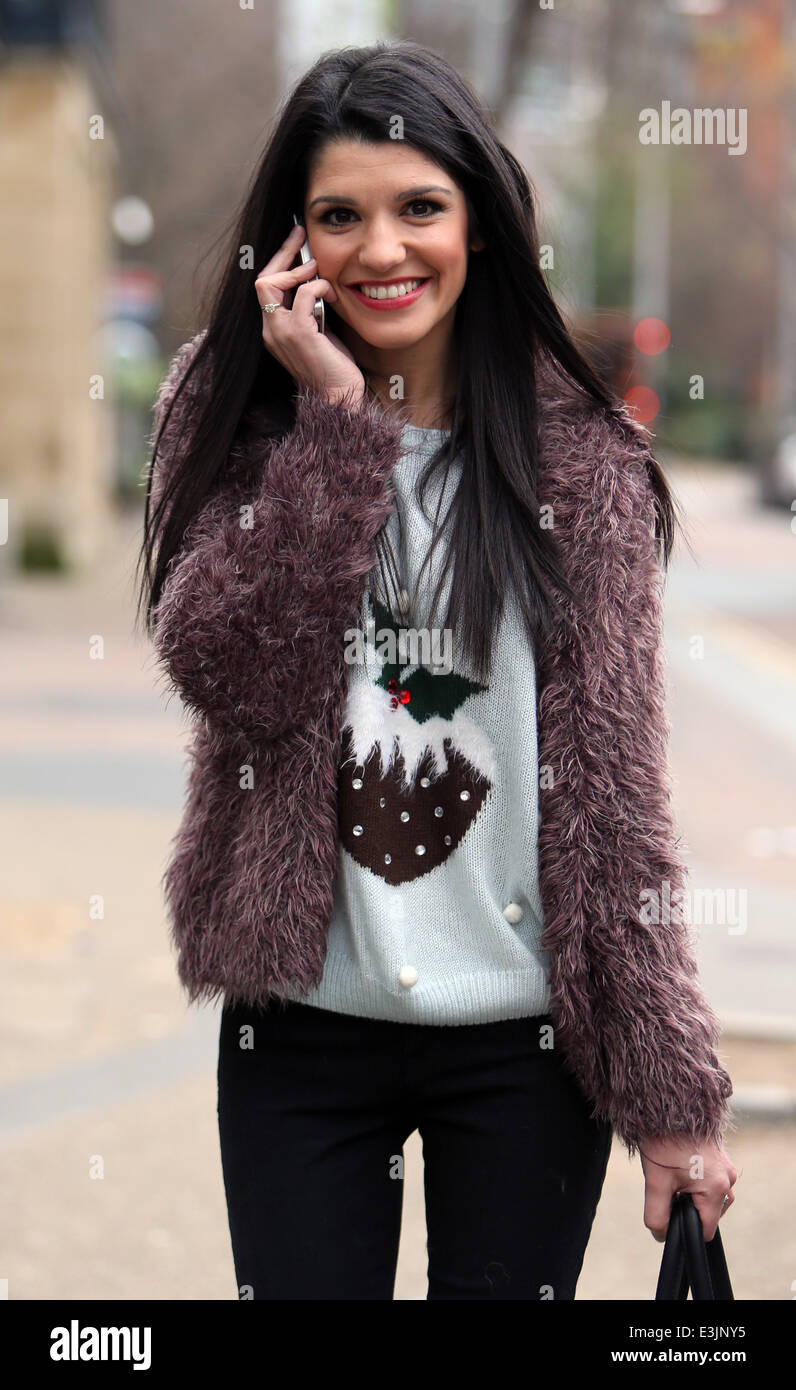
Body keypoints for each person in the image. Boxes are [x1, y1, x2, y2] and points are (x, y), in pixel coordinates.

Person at [136, 40, 737, 1301]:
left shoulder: (581, 466)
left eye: (421, 207)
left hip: (526, 1053)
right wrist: (335, 431)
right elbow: (227, 672)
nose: (382, 249)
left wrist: (673, 1095)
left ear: (481, 222)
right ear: (293, 245)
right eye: (338, 216)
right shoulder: (227, 415)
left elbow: (619, 807)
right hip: (300, 1029)